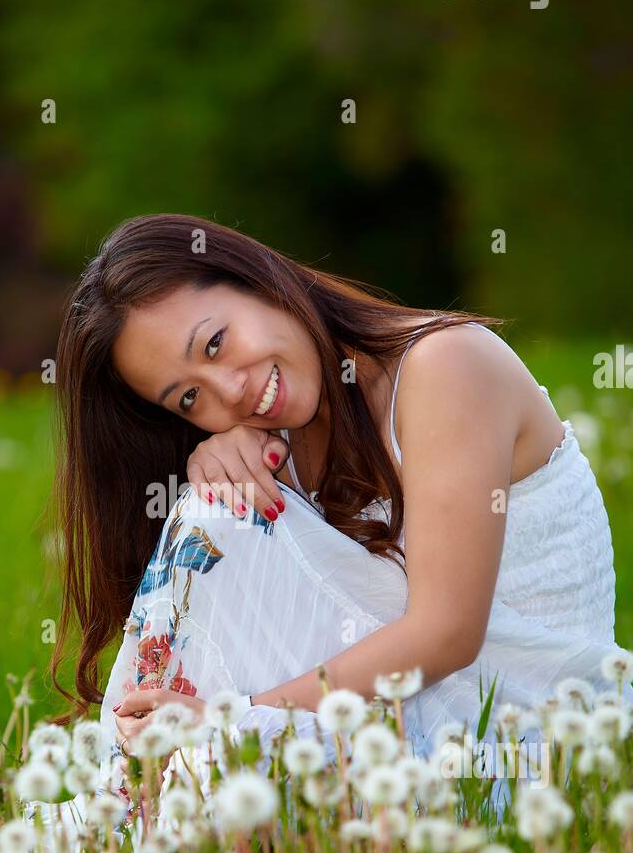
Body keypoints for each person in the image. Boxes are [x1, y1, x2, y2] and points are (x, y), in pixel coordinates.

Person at [48, 212, 627, 800]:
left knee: (217, 519)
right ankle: (152, 788)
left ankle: (164, 791)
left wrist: (236, 723)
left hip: (530, 743)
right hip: (404, 733)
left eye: (216, 343)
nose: (231, 390)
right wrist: (217, 463)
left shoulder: (446, 366)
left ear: (258, 279)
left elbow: (447, 633)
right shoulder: (278, 442)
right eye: (191, 397)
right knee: (214, 509)